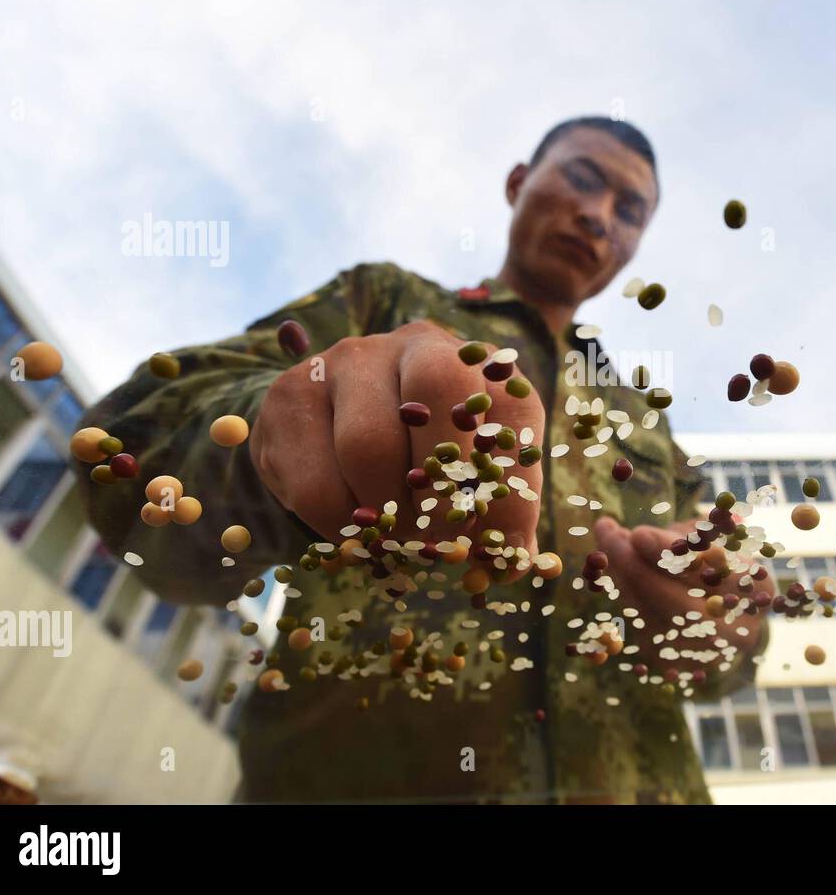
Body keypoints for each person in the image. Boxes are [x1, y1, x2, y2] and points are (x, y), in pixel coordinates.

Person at [75, 116, 772, 803]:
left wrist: (720, 624)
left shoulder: (643, 420)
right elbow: (129, 452)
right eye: (582, 180)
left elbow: (727, 647)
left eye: (629, 212)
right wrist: (280, 434)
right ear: (519, 183)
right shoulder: (383, 301)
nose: (597, 216)